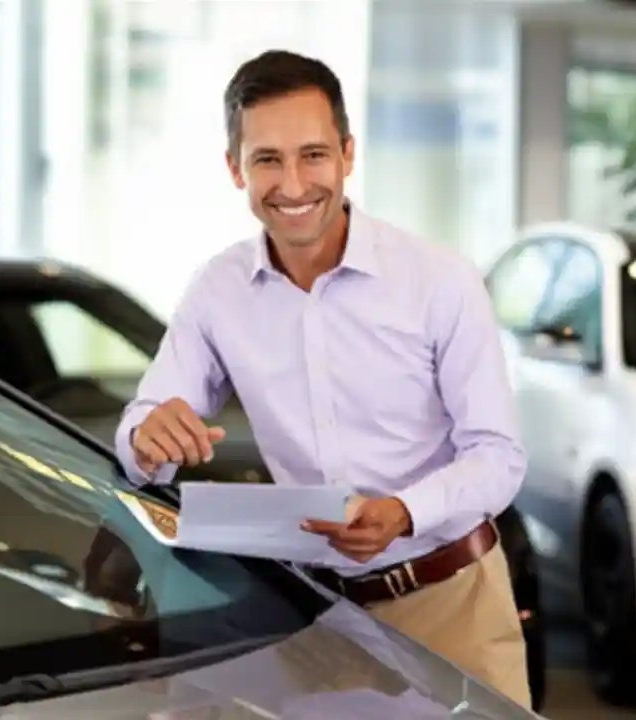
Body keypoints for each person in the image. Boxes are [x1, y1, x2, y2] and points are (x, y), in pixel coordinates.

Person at [113, 49, 530, 708]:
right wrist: (146, 438)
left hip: (454, 604)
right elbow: (143, 429)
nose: (294, 184)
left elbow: (499, 458)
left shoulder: (439, 281)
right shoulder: (218, 291)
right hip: (318, 620)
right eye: (267, 160)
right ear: (234, 169)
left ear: (347, 154)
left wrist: (403, 513)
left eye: (313, 155)